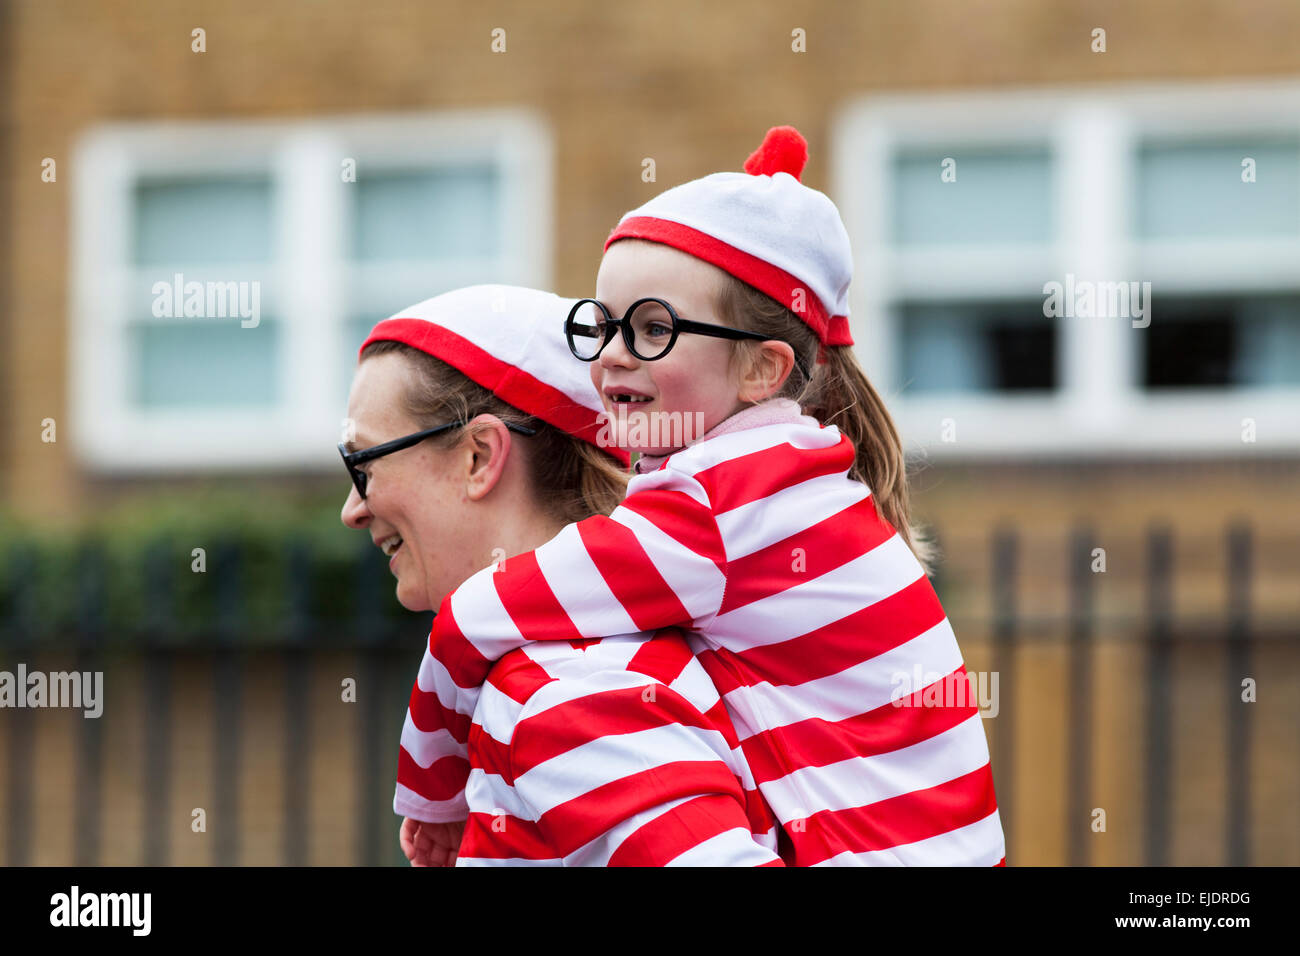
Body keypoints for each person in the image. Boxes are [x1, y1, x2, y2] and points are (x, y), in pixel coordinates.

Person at [394, 128, 1006, 866]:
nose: (616, 352)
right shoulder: (795, 483)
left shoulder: (716, 510)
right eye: (606, 324)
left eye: (654, 328)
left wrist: (434, 801)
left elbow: (475, 617)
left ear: (761, 370)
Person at [340, 284, 783, 866]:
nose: (352, 509)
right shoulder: (597, 668)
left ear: (479, 455)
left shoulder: (563, 688)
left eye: (364, 464)